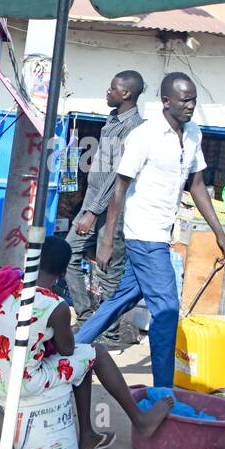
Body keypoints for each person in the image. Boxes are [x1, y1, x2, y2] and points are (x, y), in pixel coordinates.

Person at [75, 72, 225, 389]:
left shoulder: (193, 134)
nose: (190, 106)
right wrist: (106, 240)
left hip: (162, 231)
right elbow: (120, 187)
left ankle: (69, 347)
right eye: (184, 100)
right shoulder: (144, 135)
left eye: (193, 100)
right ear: (166, 101)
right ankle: (163, 390)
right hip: (144, 233)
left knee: (122, 299)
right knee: (167, 311)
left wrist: (219, 232)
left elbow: (198, 185)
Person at [0, 237, 173, 449]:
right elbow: (67, 349)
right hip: (24, 384)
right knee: (97, 354)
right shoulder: (56, 305)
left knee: (84, 360)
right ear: (63, 273)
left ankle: (88, 436)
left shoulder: (6, 289)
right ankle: (138, 419)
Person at [65, 70, 146, 349]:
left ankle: (109, 333)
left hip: (112, 209)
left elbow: (117, 176)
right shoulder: (113, 120)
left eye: (112, 89)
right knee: (68, 253)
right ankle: (89, 316)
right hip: (92, 203)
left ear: (126, 94)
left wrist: (93, 212)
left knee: (108, 268)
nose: (107, 92)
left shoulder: (134, 127)